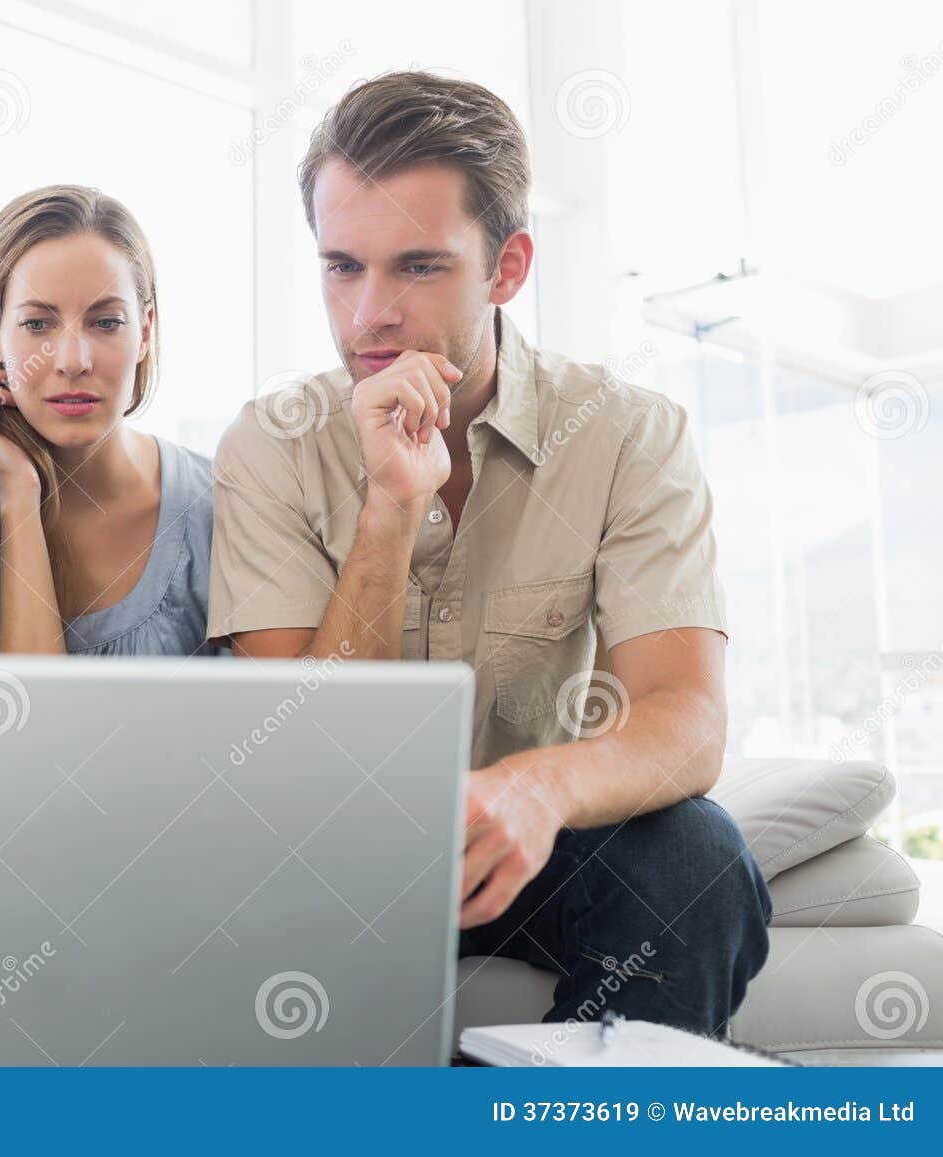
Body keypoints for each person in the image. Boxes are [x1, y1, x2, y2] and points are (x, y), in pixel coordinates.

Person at [208, 70, 771, 1038]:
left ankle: (581, 1110)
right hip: (331, 850)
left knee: (696, 857)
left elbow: (686, 717)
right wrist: (390, 504)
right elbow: (310, 755)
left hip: (531, 841)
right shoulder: (271, 443)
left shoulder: (628, 435)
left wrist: (534, 787)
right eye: (341, 266)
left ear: (507, 268)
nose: (367, 314)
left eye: (416, 267)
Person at [0, 185, 218, 657]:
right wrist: (17, 495)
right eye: (37, 324)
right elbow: (22, 703)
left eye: (105, 323)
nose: (72, 361)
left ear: (145, 331)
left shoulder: (223, 504)